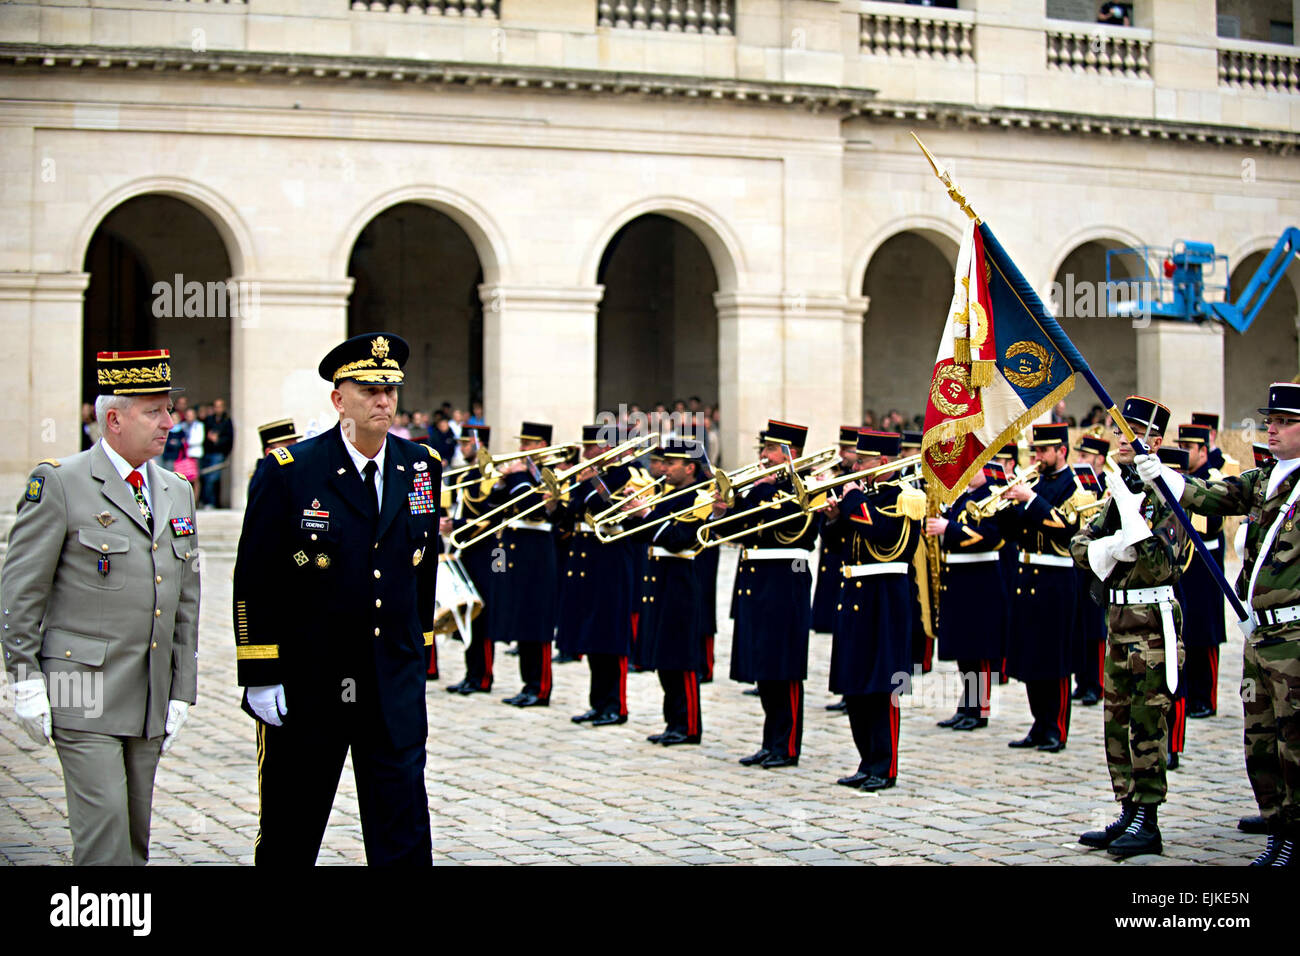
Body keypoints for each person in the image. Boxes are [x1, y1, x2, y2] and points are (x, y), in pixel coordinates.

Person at [231, 332, 440, 866]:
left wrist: (418, 650)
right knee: (291, 825)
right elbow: (255, 577)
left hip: (390, 678)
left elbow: (423, 565)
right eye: (369, 388)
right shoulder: (291, 471)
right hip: (312, 680)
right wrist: (259, 669)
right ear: (338, 399)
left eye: (391, 389)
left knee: (403, 828)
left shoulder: (420, 465)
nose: (384, 400)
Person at [2, 349, 198, 865]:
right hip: (81, 688)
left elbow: (186, 599)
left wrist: (182, 688)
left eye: (169, 409)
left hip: (150, 689)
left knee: (134, 838)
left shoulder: (176, 491)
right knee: (105, 838)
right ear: (114, 418)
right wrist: (23, 677)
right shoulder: (62, 483)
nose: (168, 422)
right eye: (154, 410)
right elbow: (22, 589)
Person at [1140, 382, 1300, 866]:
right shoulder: (1265, 478)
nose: (1270, 428)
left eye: (1284, 422)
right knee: (1261, 741)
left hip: (1294, 635)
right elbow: (1211, 496)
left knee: (1296, 743)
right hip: (1261, 635)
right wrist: (1163, 477)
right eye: (1269, 419)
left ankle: (1295, 836)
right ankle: (1276, 828)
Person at [1073, 396, 1185, 858]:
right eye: (1117, 429)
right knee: (1115, 719)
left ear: (1154, 441)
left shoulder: (1167, 490)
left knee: (1146, 721)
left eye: (1132, 431)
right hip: (1118, 619)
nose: (1120, 437)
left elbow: (1162, 562)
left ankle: (1149, 817)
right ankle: (1127, 808)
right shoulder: (1120, 488)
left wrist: (1119, 545)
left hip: (1151, 622)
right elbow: (1081, 544)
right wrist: (1108, 550)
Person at [714, 420, 819, 769]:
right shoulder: (759, 488)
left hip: (786, 577)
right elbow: (732, 531)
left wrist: (769, 489)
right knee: (763, 665)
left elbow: (798, 528)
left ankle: (787, 745)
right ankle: (769, 741)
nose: (763, 455)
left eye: (771, 450)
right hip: (755, 577)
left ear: (792, 453)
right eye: (764, 449)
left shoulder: (808, 486)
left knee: (783, 665)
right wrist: (722, 510)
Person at [826, 430, 920, 791]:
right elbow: (837, 546)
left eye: (862, 462)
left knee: (882, 685)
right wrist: (835, 517)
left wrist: (850, 502)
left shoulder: (906, 497)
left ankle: (885, 765)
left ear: (883, 463)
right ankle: (866, 760)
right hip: (854, 592)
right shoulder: (862, 498)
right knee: (855, 682)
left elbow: (885, 535)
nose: (856, 467)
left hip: (885, 594)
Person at [623, 436, 710, 746]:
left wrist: (645, 515)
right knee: (663, 654)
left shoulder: (700, 496)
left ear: (690, 467)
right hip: (660, 577)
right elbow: (643, 536)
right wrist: (633, 514)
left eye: (672, 464)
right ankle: (672, 721)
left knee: (682, 657)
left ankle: (688, 725)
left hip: (681, 578)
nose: (665, 469)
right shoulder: (666, 493)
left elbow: (679, 536)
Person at [999, 423, 1081, 753]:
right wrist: (1007, 504)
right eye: (1035, 451)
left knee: (1055, 658)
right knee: (1033, 655)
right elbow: (1016, 530)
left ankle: (1056, 728)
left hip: (1057, 578)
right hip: (1028, 574)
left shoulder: (1073, 484)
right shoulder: (1034, 481)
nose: (1038, 457)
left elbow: (1065, 526)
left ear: (1061, 450)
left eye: (1044, 451)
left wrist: (1029, 499)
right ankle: (1038, 722)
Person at [926, 460, 1006, 732]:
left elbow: (991, 536)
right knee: (965, 649)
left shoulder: (992, 496)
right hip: (959, 577)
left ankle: (979, 709)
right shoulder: (964, 497)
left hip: (981, 578)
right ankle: (966, 706)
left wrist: (948, 529)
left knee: (980, 649)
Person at [489, 422, 559, 707]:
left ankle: (540, 688)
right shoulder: (522, 474)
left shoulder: (550, 474)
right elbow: (496, 504)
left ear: (542, 446)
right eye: (522, 444)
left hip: (538, 558)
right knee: (522, 621)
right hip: (515, 555)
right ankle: (527, 683)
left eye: (528, 444)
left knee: (536, 624)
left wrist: (516, 479)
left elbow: (534, 511)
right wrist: (503, 482)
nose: (521, 449)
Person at [442, 422, 496, 695]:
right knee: (467, 611)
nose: (462, 448)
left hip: (485, 550)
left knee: (481, 613)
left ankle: (483, 675)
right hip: (465, 548)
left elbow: (488, 516)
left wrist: (457, 523)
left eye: (466, 443)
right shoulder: (465, 474)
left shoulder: (489, 474)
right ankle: (471, 672)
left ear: (480, 444)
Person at [1072, 428, 1112, 706]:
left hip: (1098, 564)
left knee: (1095, 626)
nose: (1081, 460)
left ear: (1099, 459)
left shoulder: (1109, 484)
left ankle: (1095, 683)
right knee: (1079, 624)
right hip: (1078, 560)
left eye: (1085, 455)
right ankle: (1082, 679)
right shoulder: (1078, 484)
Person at [200, 397, 234, 508]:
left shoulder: (227, 421)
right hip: (207, 452)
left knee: (213, 479)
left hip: (219, 453)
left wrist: (217, 440)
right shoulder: (209, 420)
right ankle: (208, 501)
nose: (217, 408)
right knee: (206, 478)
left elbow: (229, 438)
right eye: (216, 406)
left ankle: (212, 502)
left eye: (220, 406)